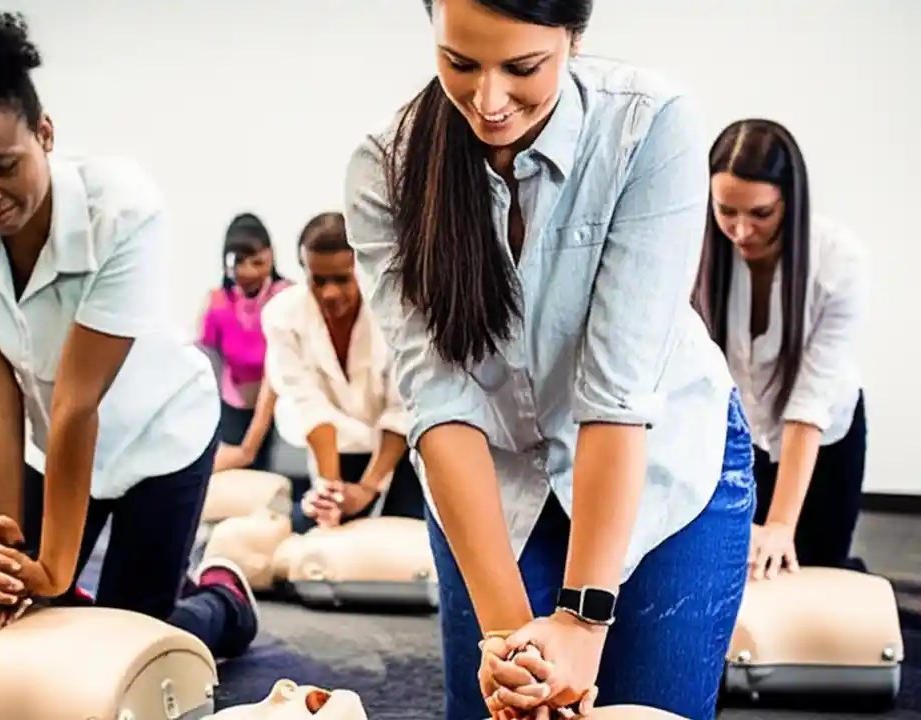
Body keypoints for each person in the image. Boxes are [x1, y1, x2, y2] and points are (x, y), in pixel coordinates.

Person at [343, 1, 753, 718]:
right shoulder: (386, 168)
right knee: (509, 703)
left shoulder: (648, 125)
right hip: (490, 478)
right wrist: (511, 644)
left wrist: (582, 622)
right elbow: (441, 404)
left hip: (657, 467)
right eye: (460, 64)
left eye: (523, 67)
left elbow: (616, 394)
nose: (489, 101)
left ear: (574, 37)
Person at [0, 1, 258, 657]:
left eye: (3, 166)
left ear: (45, 133)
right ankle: (77, 597)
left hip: (156, 439)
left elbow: (78, 400)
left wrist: (51, 567)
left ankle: (223, 601)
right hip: (49, 443)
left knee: (127, 651)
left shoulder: (124, 207)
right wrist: (8, 538)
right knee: (24, 624)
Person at [695, 119, 868, 580]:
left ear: (790, 202)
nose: (741, 230)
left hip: (822, 438)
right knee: (733, 572)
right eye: (726, 211)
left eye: (760, 214)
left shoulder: (837, 261)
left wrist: (780, 524)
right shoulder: (693, 249)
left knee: (815, 569)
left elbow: (808, 404)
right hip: (734, 437)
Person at [262, 212, 425, 533]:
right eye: (318, 281)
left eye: (342, 279)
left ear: (361, 271)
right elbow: (309, 405)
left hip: (400, 449)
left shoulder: (399, 312)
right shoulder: (282, 316)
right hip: (334, 448)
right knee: (323, 527)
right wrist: (331, 492)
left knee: (400, 539)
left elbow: (401, 407)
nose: (330, 294)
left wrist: (368, 489)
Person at [199, 213, 291, 472]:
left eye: (257, 262)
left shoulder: (285, 299)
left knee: (262, 471)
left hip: (277, 404)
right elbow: (205, 364)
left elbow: (276, 372)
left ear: (270, 257)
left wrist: (248, 449)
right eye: (239, 263)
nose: (248, 271)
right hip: (233, 403)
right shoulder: (217, 303)